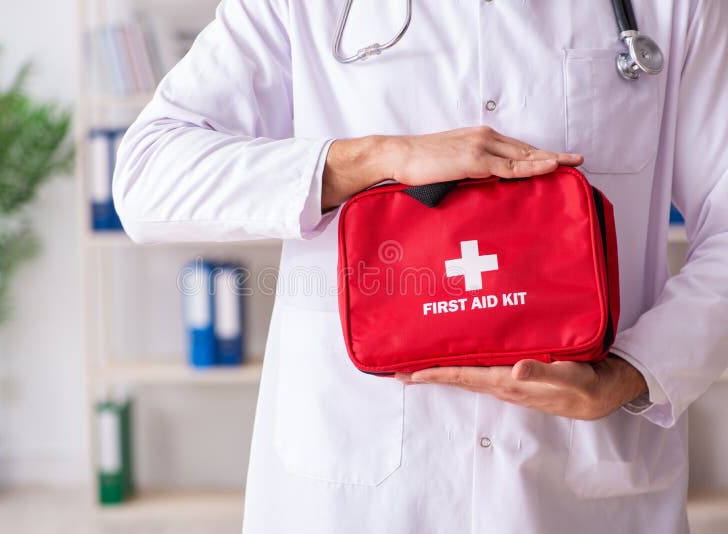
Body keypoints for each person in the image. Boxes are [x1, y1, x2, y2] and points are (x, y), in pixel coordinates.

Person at [113, 1, 728, 532]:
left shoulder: (673, 7)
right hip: (358, 492)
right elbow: (147, 176)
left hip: (578, 493)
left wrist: (632, 373)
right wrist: (373, 159)